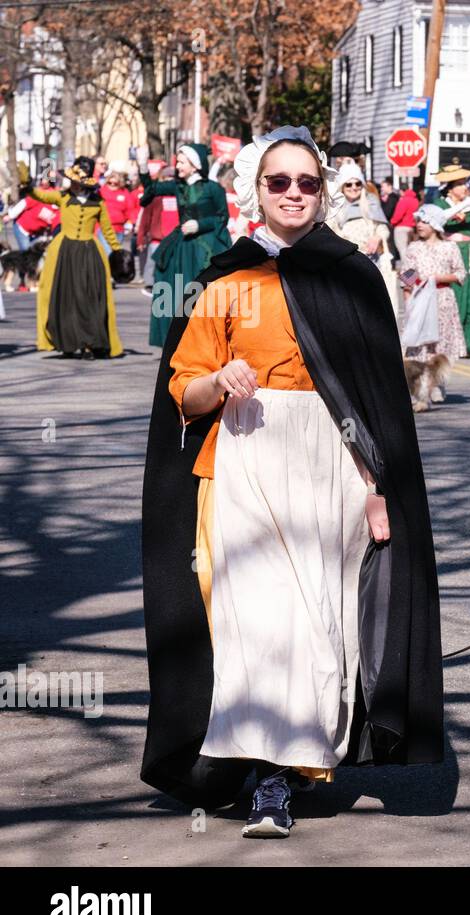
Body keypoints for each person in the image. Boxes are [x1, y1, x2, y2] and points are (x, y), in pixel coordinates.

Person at [140, 125, 444, 837]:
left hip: (332, 463)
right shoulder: (228, 278)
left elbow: (375, 401)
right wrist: (217, 380)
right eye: (279, 182)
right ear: (257, 191)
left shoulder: (353, 275)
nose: (294, 194)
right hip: (245, 456)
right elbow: (182, 393)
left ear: (324, 191)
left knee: (320, 618)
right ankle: (270, 779)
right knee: (257, 618)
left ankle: (300, 758)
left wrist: (378, 486)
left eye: (307, 183)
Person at [138, 143, 231, 348]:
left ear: (195, 164)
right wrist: (143, 165)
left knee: (198, 291)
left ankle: (203, 339)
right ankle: (177, 339)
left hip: (205, 248)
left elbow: (222, 217)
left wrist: (200, 224)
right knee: (174, 291)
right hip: (182, 246)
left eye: (181, 162)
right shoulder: (177, 186)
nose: (177, 166)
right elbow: (151, 189)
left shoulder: (213, 189)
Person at [29, 157, 124, 358]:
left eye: (75, 180)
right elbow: (40, 195)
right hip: (64, 253)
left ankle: (91, 342)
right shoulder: (62, 197)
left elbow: (107, 229)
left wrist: (118, 251)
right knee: (65, 298)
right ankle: (68, 343)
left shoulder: (98, 202)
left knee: (90, 298)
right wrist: (25, 185)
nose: (72, 183)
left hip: (90, 253)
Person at [401, 204, 468, 409]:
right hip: (421, 299)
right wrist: (408, 301)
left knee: (439, 347)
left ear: (435, 224)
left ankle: (435, 383)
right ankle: (420, 391)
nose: (419, 225)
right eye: (418, 221)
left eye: (424, 221)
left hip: (442, 299)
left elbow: (460, 274)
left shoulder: (450, 247)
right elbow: (407, 276)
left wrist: (437, 277)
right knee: (419, 347)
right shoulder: (414, 248)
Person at [431, 162, 470, 353]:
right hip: (448, 252)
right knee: (452, 296)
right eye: (459, 184)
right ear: (449, 188)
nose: (465, 187)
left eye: (465, 182)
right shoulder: (439, 205)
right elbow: (437, 222)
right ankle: (449, 340)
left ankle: (469, 341)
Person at [328, 162, 400, 318]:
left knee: (375, 305)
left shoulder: (371, 201)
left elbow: (383, 228)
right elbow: (329, 233)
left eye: (357, 183)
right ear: (342, 186)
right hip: (347, 263)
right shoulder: (334, 207)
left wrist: (377, 237)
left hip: (372, 261)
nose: (354, 187)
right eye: (349, 184)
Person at [135, 165, 179, 294]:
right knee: (152, 262)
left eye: (172, 178)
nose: (169, 181)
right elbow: (145, 219)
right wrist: (140, 239)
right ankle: (149, 283)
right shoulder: (155, 197)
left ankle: (171, 284)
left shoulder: (180, 196)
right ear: (162, 178)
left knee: (174, 264)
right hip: (157, 238)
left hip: (175, 238)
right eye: (167, 177)